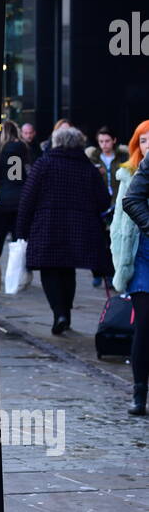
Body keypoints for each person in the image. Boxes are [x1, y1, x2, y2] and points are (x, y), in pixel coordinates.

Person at [14, 125, 112, 335]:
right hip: (79, 229)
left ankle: (59, 313)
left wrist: (21, 230)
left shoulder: (43, 164)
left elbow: (27, 199)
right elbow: (104, 201)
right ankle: (65, 313)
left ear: (56, 142)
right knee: (68, 270)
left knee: (49, 271)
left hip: (47, 226)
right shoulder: (87, 168)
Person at [113, 120, 149, 415]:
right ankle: (139, 393)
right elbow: (131, 200)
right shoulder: (136, 169)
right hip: (145, 256)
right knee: (145, 325)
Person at [87, 126, 130, 285]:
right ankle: (98, 273)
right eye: (101, 141)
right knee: (98, 239)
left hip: (118, 201)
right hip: (98, 202)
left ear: (114, 141)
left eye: (107, 141)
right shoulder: (93, 158)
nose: (104, 144)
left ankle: (112, 273)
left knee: (115, 238)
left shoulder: (123, 156)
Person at [0, 119, 29, 255]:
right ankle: (16, 275)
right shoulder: (24, 149)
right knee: (18, 246)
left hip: (1, 201)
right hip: (20, 201)